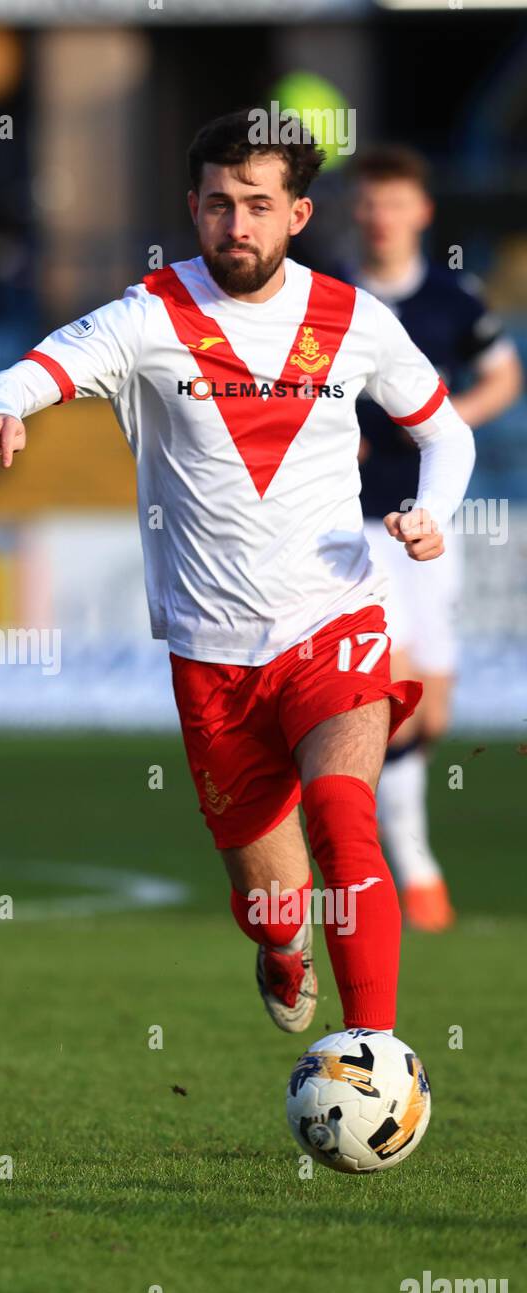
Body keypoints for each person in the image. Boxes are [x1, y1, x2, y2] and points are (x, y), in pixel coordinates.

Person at [0, 110, 475, 1045]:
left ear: (298, 214)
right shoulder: (149, 315)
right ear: (191, 211)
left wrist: (432, 514)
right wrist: (1, 406)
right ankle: (284, 947)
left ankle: (375, 1050)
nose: (236, 225)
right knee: (278, 904)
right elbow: (17, 377)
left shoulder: (354, 318)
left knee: (341, 813)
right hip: (213, 657)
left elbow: (446, 432)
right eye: (216, 205)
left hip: (336, 619)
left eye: (256, 205)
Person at [341, 145, 522, 931]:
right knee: (399, 697)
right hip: (355, 524)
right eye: (371, 203)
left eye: (397, 203)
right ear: (358, 212)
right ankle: (410, 871)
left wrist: (445, 427)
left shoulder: (452, 297)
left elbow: (503, 375)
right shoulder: (333, 301)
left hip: (434, 524)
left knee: (433, 710)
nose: (383, 217)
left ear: (422, 214)